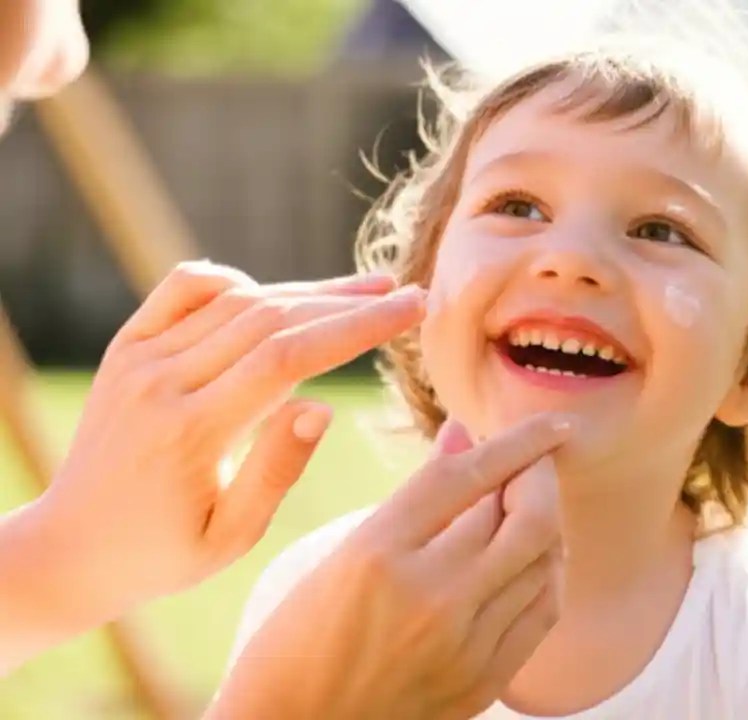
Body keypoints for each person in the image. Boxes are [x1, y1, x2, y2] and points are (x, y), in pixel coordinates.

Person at [228, 4, 748, 717]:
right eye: (517, 206)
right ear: (423, 298)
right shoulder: (321, 599)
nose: (571, 260)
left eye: (660, 229)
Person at [1, 2, 570, 716]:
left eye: (660, 231)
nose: (65, 59)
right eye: (516, 207)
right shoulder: (306, 589)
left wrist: (65, 555)